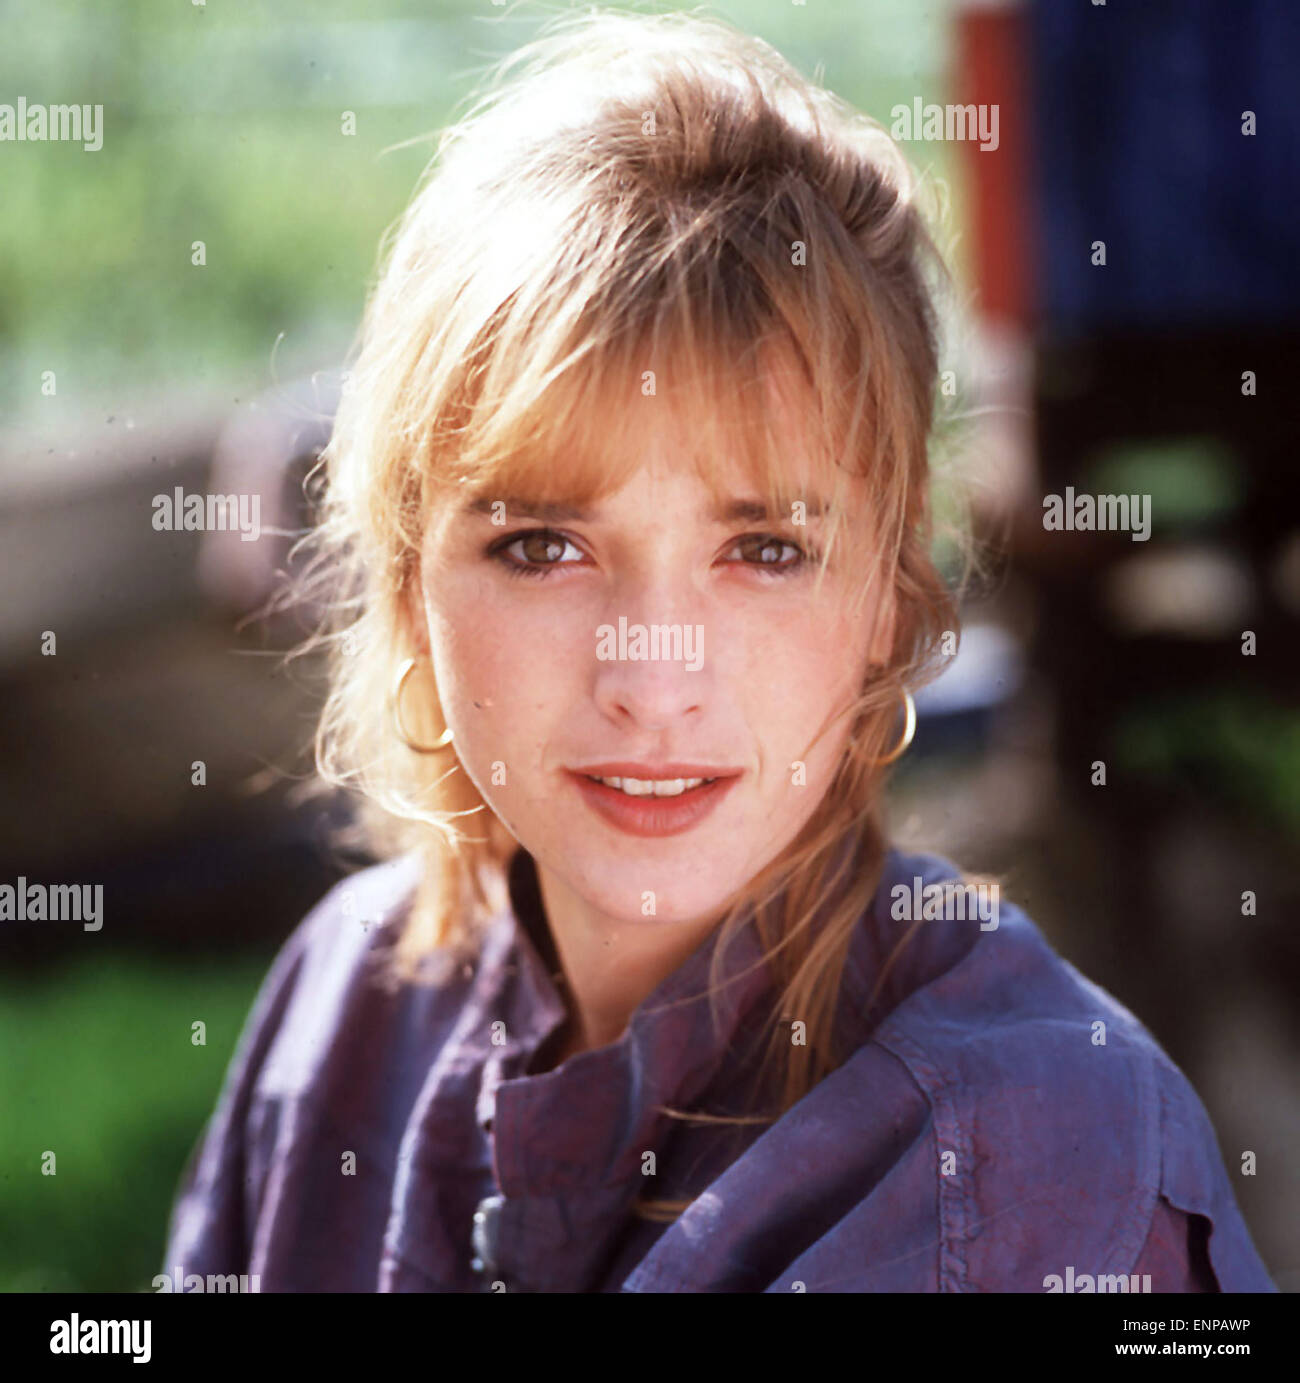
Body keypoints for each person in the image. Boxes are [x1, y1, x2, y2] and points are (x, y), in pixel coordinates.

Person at [162, 9, 1275, 1293]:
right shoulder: (342, 1009)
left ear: (888, 612)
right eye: (541, 546)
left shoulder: (1036, 1163)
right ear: (410, 586)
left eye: (761, 549)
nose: (650, 680)